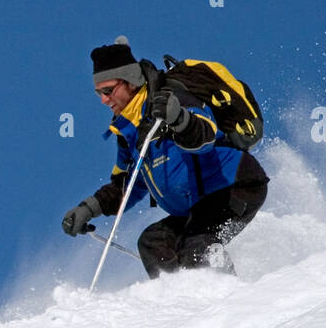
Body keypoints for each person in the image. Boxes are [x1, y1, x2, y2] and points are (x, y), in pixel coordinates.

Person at [61, 40, 270, 277]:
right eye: (99, 93)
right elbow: (127, 186)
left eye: (108, 91)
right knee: (153, 242)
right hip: (197, 208)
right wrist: (88, 209)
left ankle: (226, 302)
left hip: (234, 187)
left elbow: (206, 137)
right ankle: (175, 302)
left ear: (130, 81)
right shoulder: (128, 132)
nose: (104, 100)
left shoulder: (169, 98)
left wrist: (179, 119)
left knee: (197, 245)